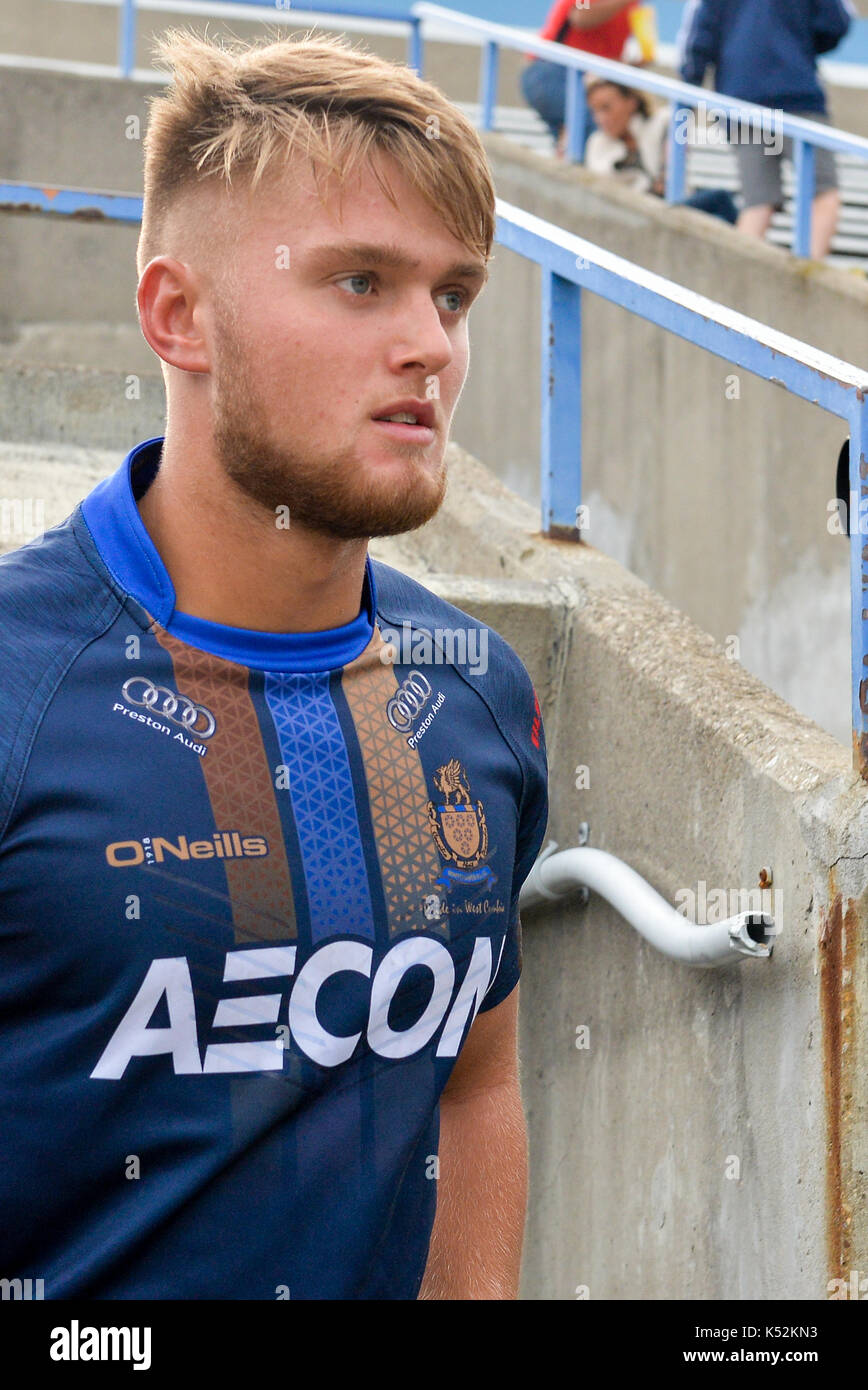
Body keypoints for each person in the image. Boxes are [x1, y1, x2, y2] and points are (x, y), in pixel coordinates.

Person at [0, 30, 549, 1300]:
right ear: (178, 316)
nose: (429, 344)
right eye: (361, 282)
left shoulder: (473, 695)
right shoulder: (24, 694)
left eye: (452, 294)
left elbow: (475, 1080)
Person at [677, 0, 856, 258]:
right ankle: (809, 278)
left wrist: (686, 101)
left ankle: (736, 283)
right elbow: (835, 22)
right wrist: (795, 45)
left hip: (742, 99)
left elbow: (696, 44)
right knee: (823, 193)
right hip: (796, 95)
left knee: (758, 203)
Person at [584, 74, 739, 223]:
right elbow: (606, 187)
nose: (601, 118)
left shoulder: (661, 122)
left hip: (673, 204)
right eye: (595, 110)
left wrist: (665, 172)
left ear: (631, 102)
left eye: (606, 108)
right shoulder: (598, 143)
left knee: (720, 200)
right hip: (638, 213)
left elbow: (677, 134)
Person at [521, 0, 641, 155]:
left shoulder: (634, 6)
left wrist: (636, 63)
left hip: (589, 80)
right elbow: (580, 15)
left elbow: (609, 58)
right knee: (592, 123)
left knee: (607, 123)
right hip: (553, 73)